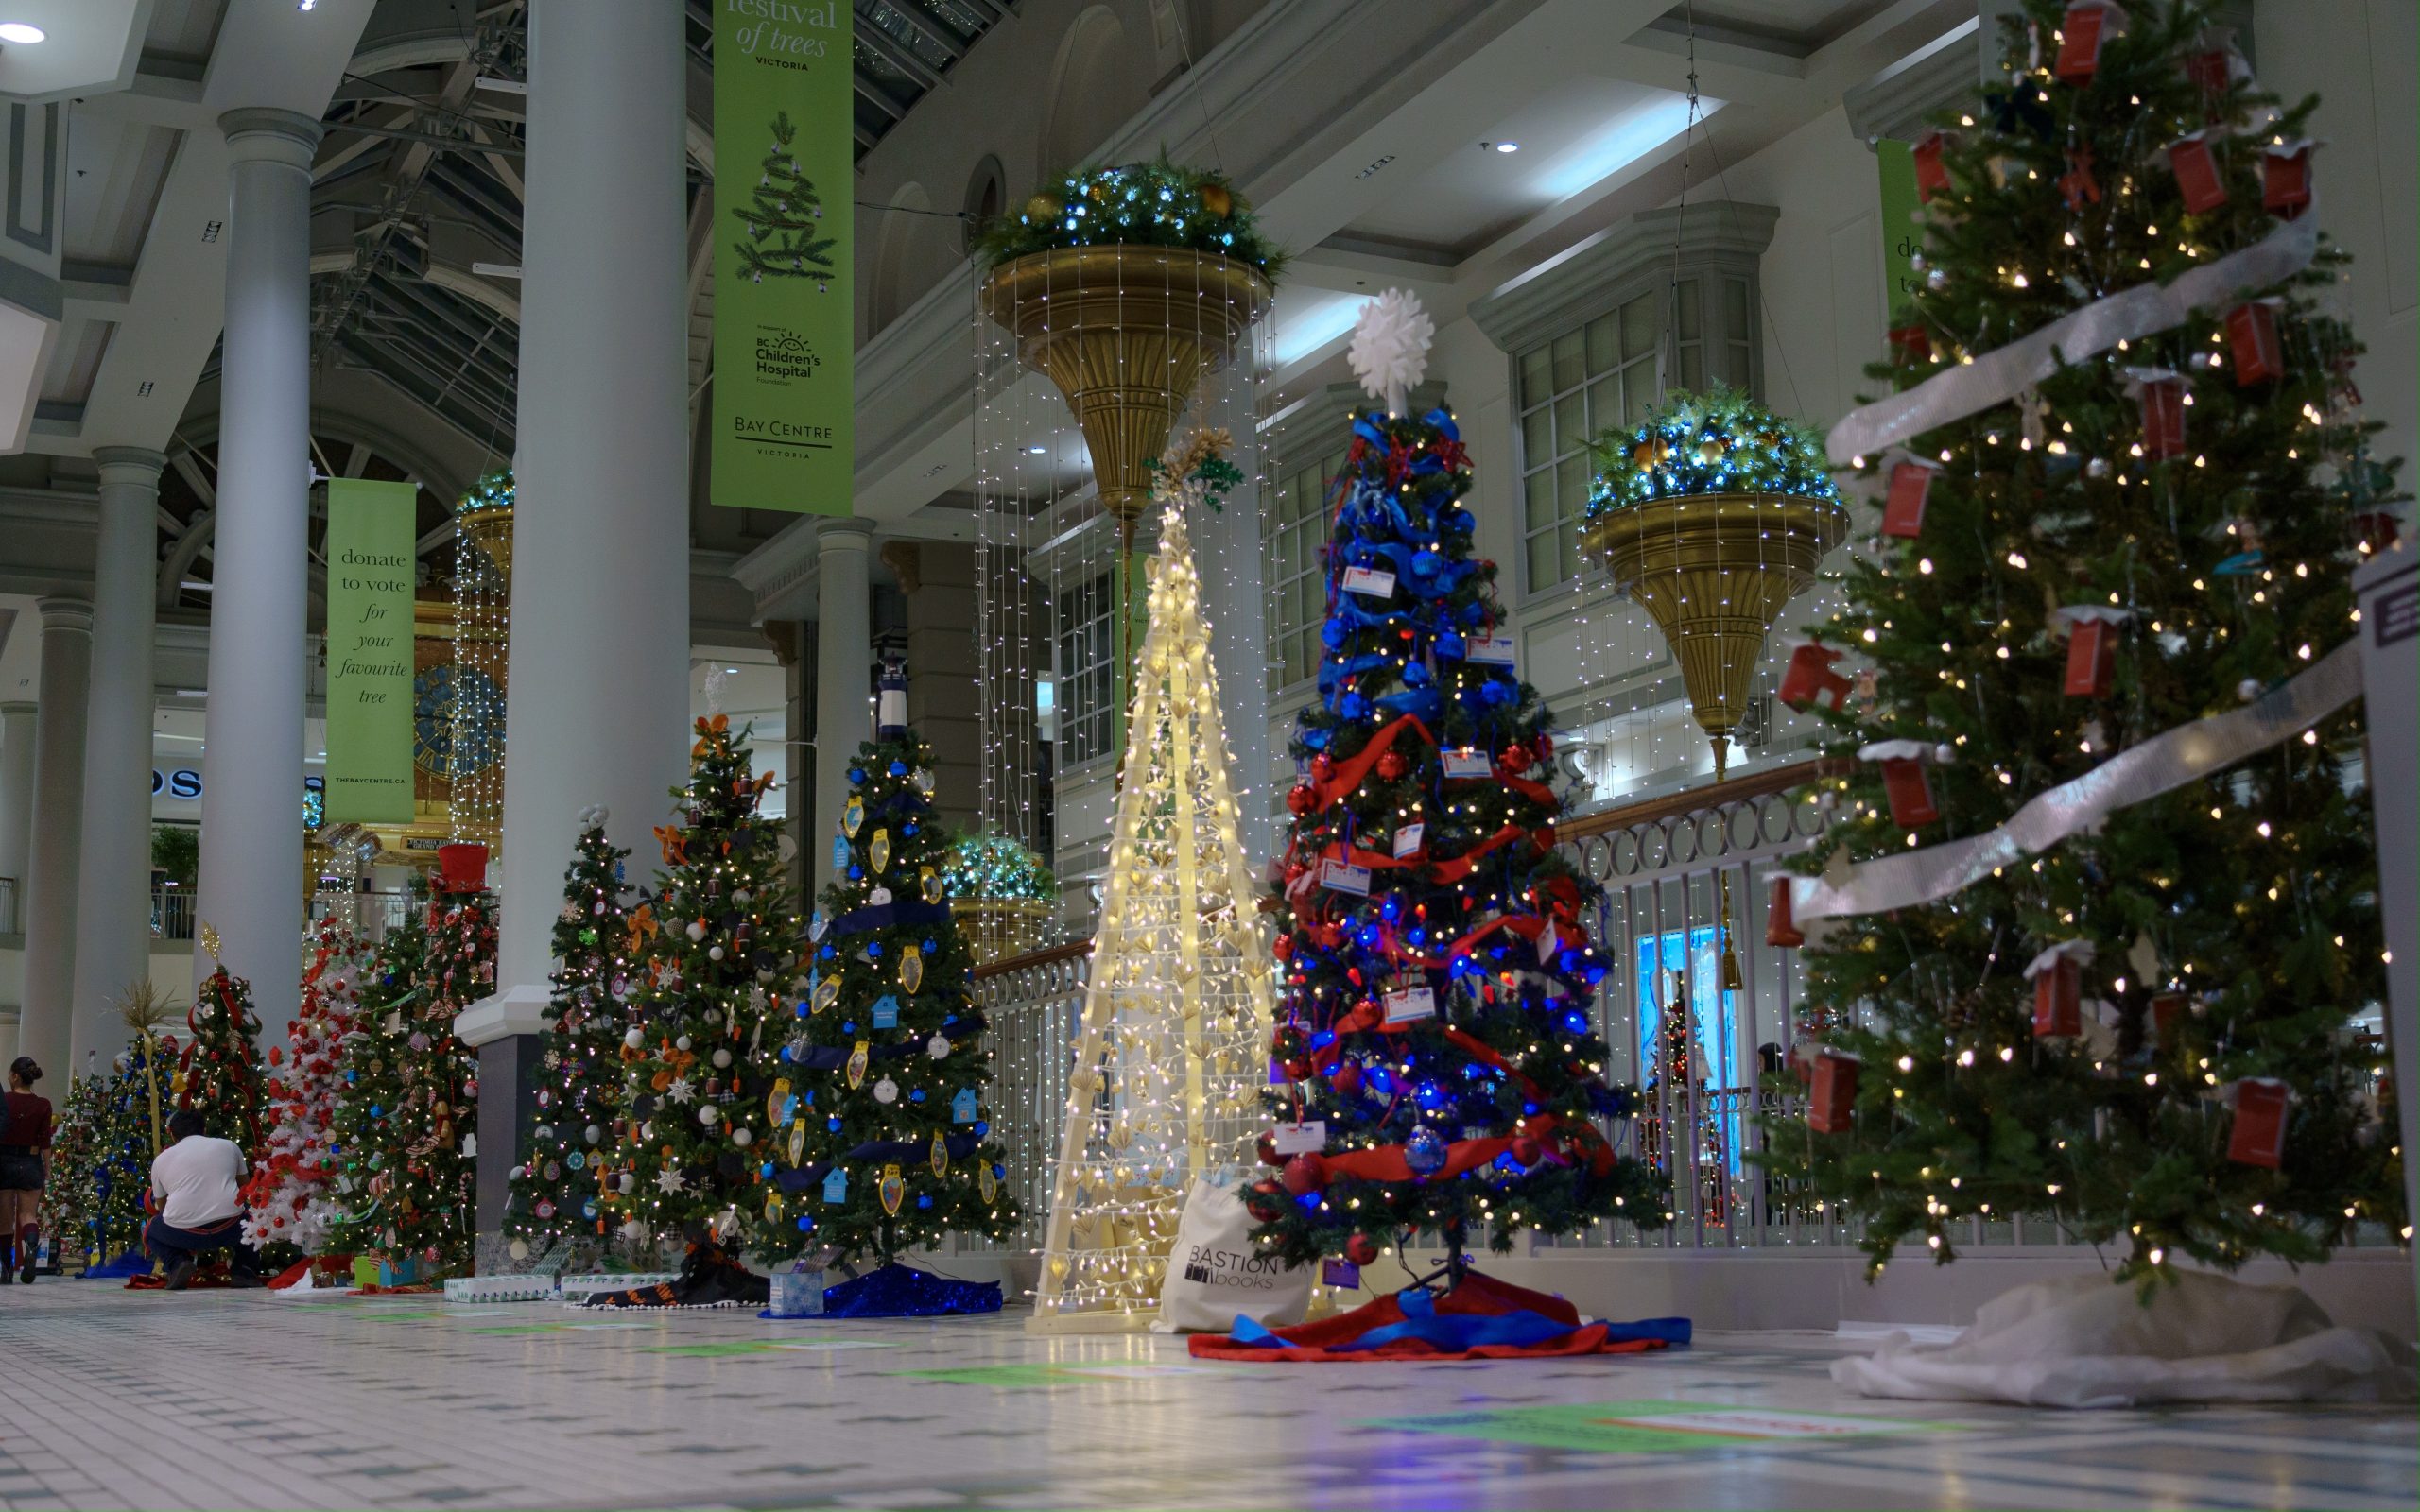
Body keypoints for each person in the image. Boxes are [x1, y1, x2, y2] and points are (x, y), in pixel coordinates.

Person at [147, 1108, 259, 1289]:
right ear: (204, 1129)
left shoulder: (160, 1160)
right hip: (230, 1227)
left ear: (173, 1136)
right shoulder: (229, 1146)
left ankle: (178, 1264)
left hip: (184, 1232)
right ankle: (244, 1271)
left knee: (151, 1229)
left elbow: (163, 1209)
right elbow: (246, 1189)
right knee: (257, 1219)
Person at [1, 1057, 49, 1284]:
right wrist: (47, 1167)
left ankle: (6, 1268)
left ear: (16, 1076)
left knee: (4, 1220)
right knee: (27, 1215)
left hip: (3, 1161)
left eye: (10, 1074)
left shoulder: (4, 1101)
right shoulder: (43, 1104)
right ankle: (30, 1249)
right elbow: (45, 1141)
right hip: (30, 1162)